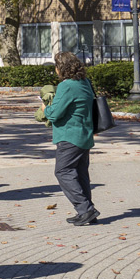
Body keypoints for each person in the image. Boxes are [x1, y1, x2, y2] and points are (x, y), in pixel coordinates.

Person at [46, 51, 99, 225]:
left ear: (61, 68)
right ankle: (86, 211)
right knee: (81, 173)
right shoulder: (85, 82)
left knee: (62, 171)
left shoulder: (66, 86)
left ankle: (85, 209)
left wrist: (44, 108)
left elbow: (55, 114)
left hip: (70, 136)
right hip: (84, 135)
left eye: (56, 66)